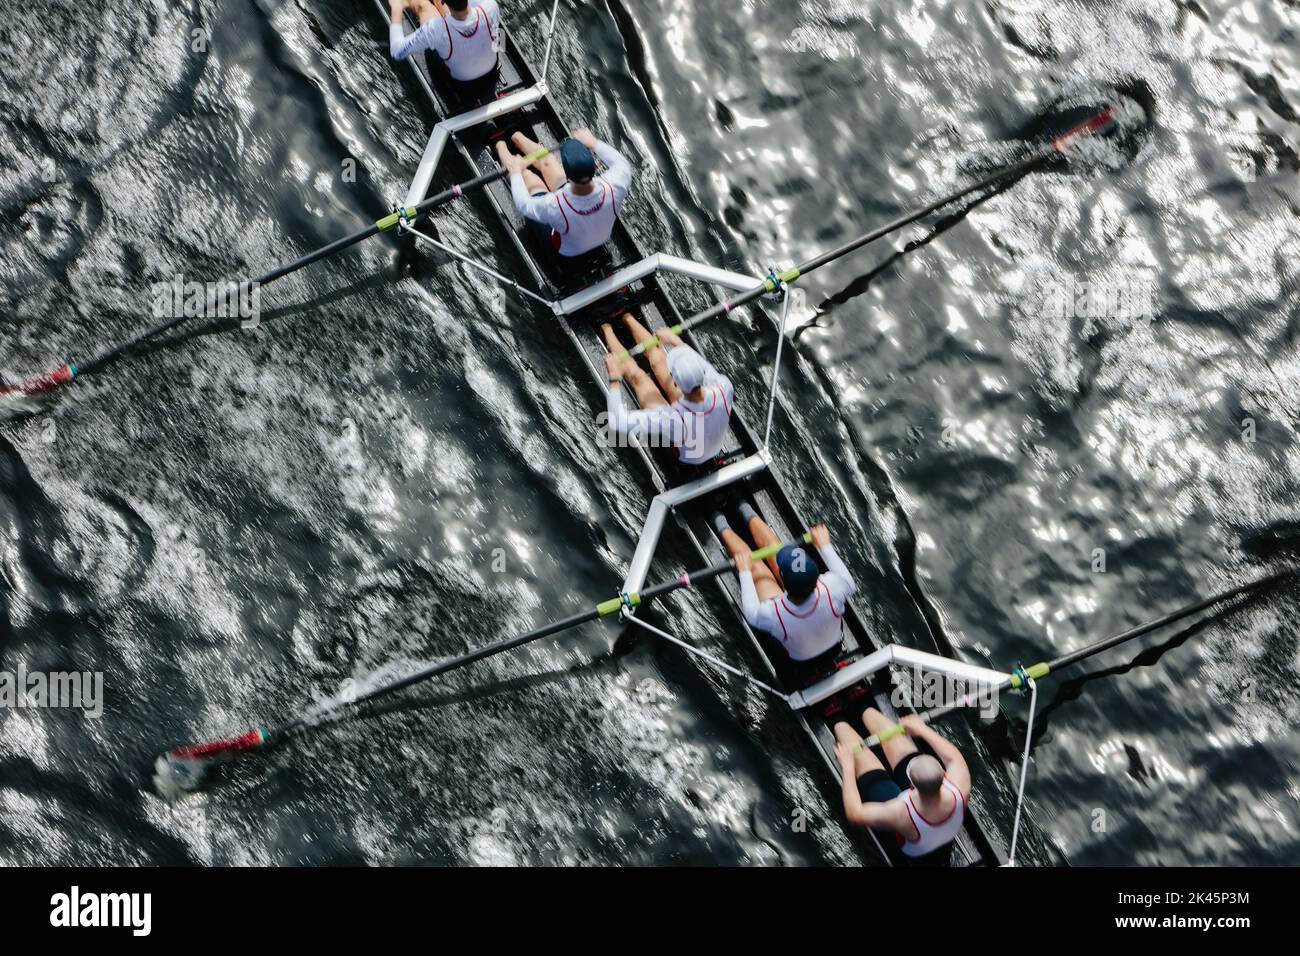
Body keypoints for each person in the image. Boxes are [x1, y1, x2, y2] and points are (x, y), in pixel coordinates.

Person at [712, 516, 855, 666]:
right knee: (774, 545)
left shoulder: (774, 614)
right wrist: (825, 545)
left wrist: (744, 571)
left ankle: (718, 519)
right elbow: (849, 583)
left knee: (757, 569)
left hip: (800, 662)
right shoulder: (831, 586)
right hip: (833, 646)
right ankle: (743, 508)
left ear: (783, 578)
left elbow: (751, 614)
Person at [834, 709, 970, 863]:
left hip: (913, 847)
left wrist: (847, 767)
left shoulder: (900, 813)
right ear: (944, 775)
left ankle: (837, 719)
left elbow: (855, 814)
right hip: (930, 828)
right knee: (892, 735)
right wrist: (922, 729)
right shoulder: (960, 785)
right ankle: (862, 707)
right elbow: (953, 758)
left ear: (912, 785)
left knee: (862, 758)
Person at [602, 315, 734, 466]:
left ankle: (606, 327)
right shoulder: (724, 386)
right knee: (659, 362)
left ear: (676, 382)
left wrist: (614, 377)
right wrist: (673, 339)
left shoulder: (670, 419)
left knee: (639, 378)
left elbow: (617, 422)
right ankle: (627, 316)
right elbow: (699, 362)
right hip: (705, 436)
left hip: (688, 457)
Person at [496, 128, 633, 260]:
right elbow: (622, 164)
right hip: (589, 233)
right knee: (547, 159)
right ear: (595, 166)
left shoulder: (555, 205)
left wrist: (515, 171)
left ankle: (499, 143)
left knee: (527, 177)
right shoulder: (615, 185)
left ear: (567, 175)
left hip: (565, 253)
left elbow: (523, 205)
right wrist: (593, 142)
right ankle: (515, 133)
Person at [389, 0, 501, 85]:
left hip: (459, 83)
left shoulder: (435, 29)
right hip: (492, 68)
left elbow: (396, 52)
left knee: (423, 6)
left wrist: (396, 9)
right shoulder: (491, 6)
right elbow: (500, 33)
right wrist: (500, 49)